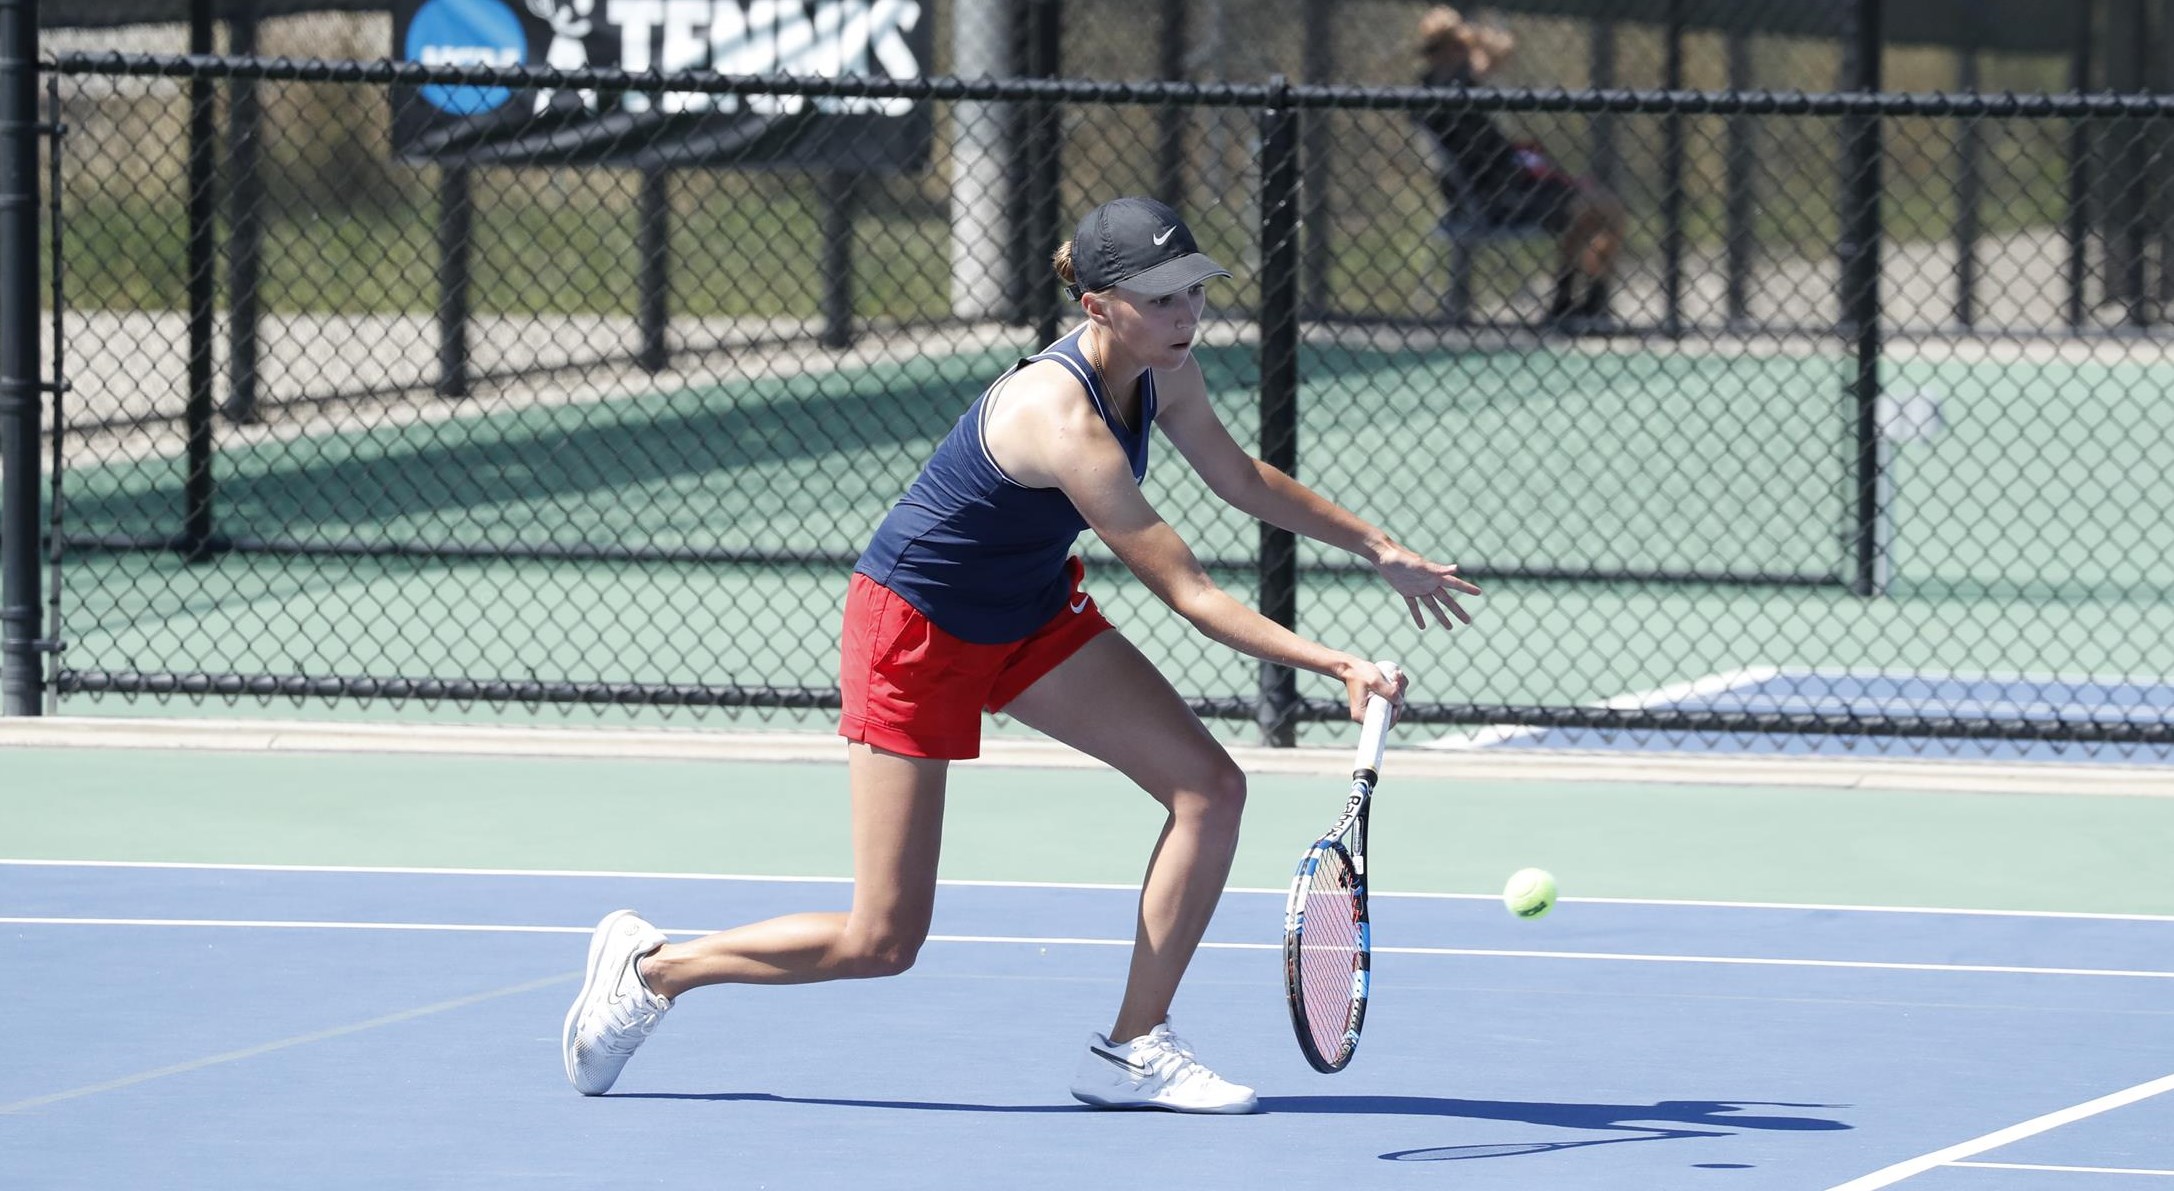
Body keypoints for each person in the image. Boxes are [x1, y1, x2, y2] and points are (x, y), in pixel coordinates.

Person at [560, 196, 1481, 1114]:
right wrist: (1335, 664)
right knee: (882, 939)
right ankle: (654, 970)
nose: (1185, 315)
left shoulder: (1167, 370)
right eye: (1161, 299)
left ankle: (1132, 1047)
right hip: (915, 630)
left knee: (1209, 787)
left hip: (1029, 612)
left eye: (1193, 291)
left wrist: (1378, 548)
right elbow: (1191, 594)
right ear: (1097, 307)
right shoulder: (1060, 416)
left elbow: (1240, 478)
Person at [1414, 5, 1626, 328]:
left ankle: (1574, 304)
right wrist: (1474, 39)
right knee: (1599, 207)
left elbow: (1498, 55)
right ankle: (1571, 302)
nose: (1462, 53)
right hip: (1495, 197)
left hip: (1519, 183)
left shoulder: (1458, 82)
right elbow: (1494, 55)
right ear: (1438, 52)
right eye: (1454, 46)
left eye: (1463, 47)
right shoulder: (1437, 92)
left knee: (1602, 207)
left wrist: (1476, 36)